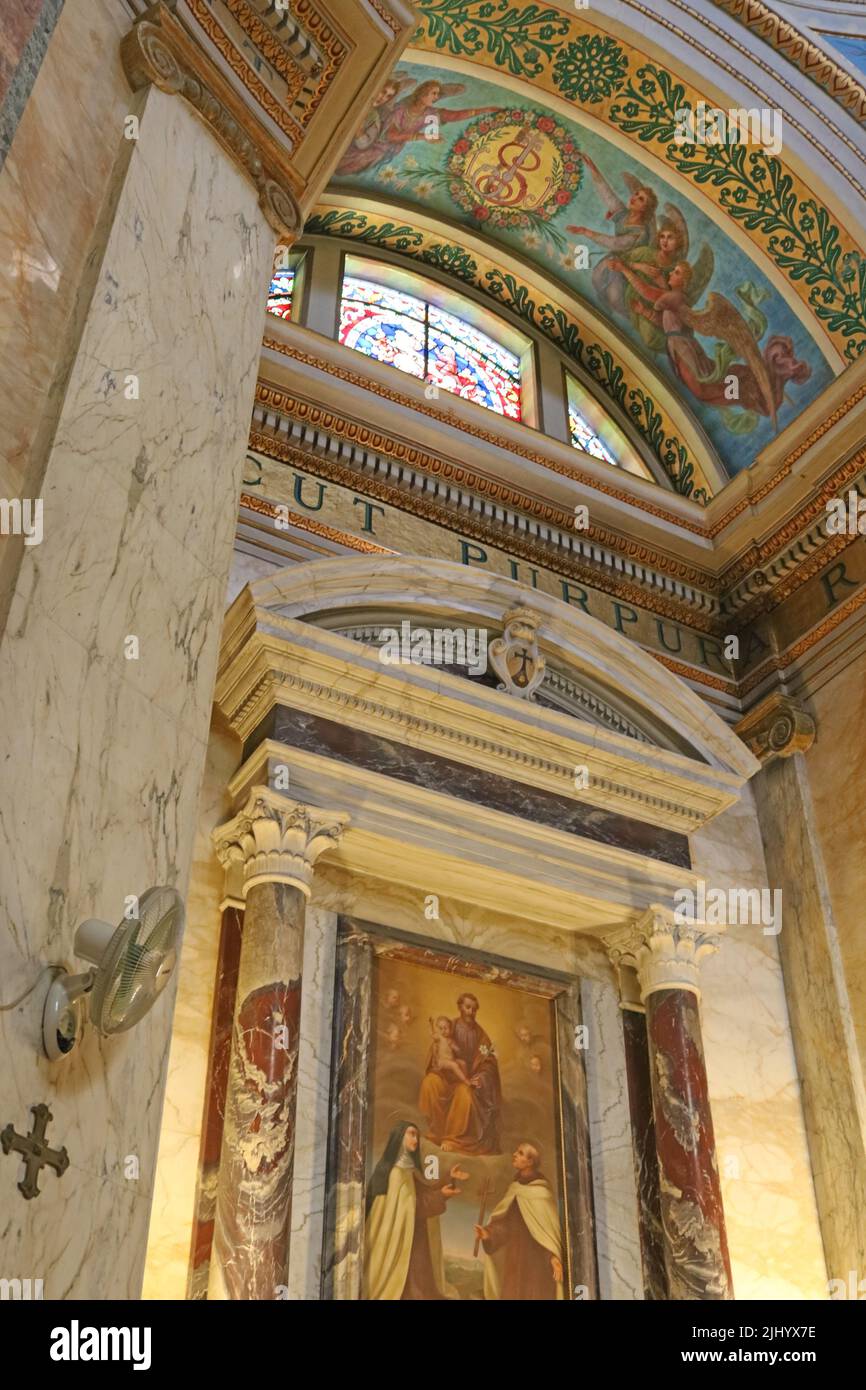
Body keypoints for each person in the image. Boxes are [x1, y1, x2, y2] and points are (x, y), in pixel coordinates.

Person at [364, 1121, 468, 1300]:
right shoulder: (396, 1174)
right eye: (411, 1134)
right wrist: (440, 1196)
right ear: (399, 1138)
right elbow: (413, 1206)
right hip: (401, 1240)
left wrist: (448, 1179)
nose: (416, 1139)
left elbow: (423, 1193)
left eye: (417, 1135)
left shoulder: (408, 1171)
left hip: (414, 1236)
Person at [566, 154, 658, 315]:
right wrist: (594, 170)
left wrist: (585, 231)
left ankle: (630, 317)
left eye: (641, 199)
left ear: (645, 208)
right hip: (615, 259)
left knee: (615, 299)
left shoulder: (640, 232)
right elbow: (608, 196)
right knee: (596, 278)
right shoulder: (623, 214)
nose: (634, 197)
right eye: (636, 194)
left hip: (630, 268)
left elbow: (615, 243)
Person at [474, 1142, 564, 1300]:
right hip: (515, 1260)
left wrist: (553, 1257)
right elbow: (506, 1224)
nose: (514, 1154)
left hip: (537, 1265)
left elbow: (548, 1233)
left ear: (530, 1161)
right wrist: (489, 1234)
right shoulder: (515, 1188)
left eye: (520, 1153)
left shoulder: (542, 1193)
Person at [418, 993, 502, 1154]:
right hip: (445, 1077)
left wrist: (481, 1078)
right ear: (460, 1007)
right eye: (468, 1007)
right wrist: (438, 1065)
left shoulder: (481, 1036)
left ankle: (452, 1139)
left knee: (464, 1094)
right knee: (430, 1082)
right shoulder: (449, 1026)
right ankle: (437, 1133)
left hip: (466, 1081)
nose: (471, 1012)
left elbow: (489, 1062)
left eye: (474, 1009)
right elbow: (437, 1050)